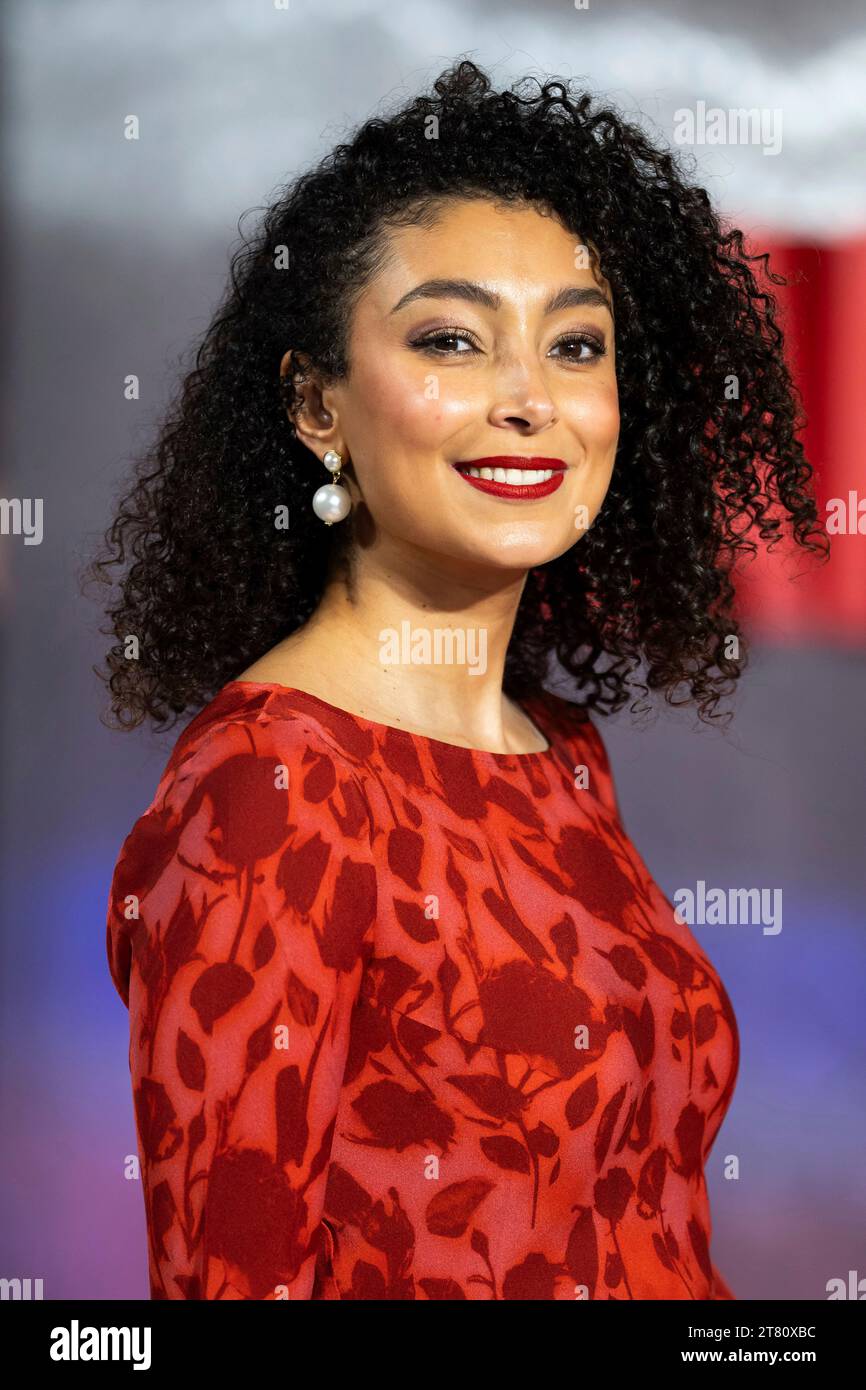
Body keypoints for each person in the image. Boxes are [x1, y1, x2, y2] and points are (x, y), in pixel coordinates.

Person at [95, 60, 826, 1300]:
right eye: (451, 339)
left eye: (574, 344)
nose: (529, 398)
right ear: (317, 403)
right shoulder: (268, 791)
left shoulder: (561, 758)